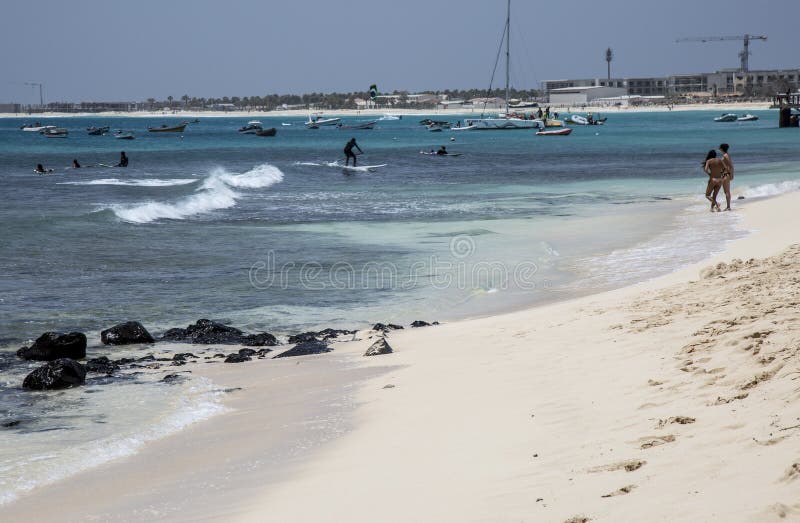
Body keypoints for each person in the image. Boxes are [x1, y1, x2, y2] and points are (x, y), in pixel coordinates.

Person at [719, 143, 733, 211]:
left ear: (722, 149)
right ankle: (728, 206)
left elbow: (731, 166)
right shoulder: (727, 155)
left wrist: (731, 174)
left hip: (725, 174)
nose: (719, 149)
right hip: (726, 174)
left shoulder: (725, 156)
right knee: (727, 191)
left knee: (726, 191)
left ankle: (728, 207)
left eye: (720, 148)